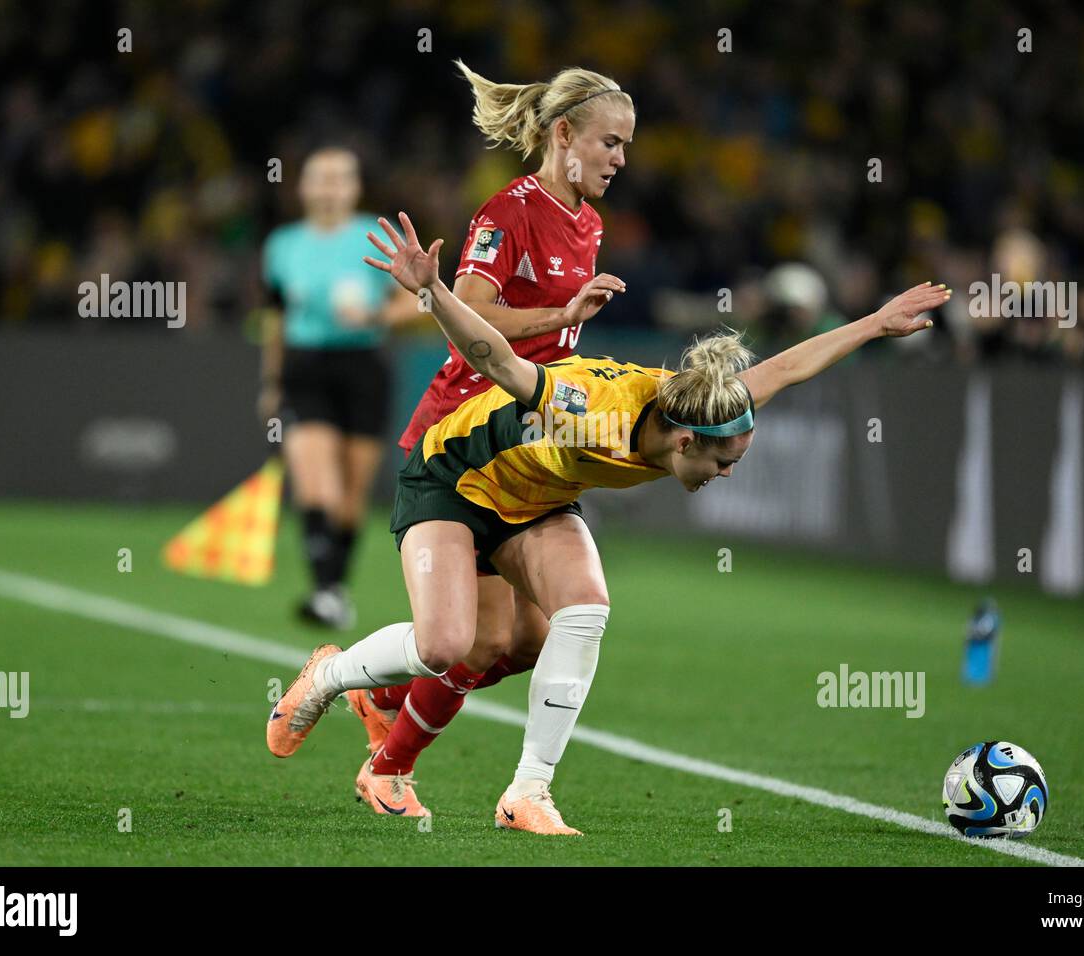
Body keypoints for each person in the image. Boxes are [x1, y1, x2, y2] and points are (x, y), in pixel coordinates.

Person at [266, 211, 949, 834]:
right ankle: (330, 677)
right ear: (684, 444)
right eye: (724, 463)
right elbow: (495, 360)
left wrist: (874, 323)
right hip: (456, 479)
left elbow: (789, 367)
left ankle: (527, 793)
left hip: (534, 498)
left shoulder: (707, 409)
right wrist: (432, 293)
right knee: (451, 643)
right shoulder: (594, 412)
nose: (729, 472)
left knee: (569, 618)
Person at [345, 60, 634, 818]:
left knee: (528, 644)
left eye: (626, 146)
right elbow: (468, 316)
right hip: (464, 438)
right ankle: (371, 717)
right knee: (466, 643)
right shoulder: (508, 213)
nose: (620, 160)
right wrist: (555, 315)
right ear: (564, 135)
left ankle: (394, 702)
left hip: (530, 449)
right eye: (609, 142)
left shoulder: (588, 221)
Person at [259, 147, 419, 629]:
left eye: (339, 178)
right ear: (303, 187)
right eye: (320, 178)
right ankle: (324, 590)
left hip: (364, 367)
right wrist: (270, 380)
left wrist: (374, 314)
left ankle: (335, 589)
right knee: (317, 487)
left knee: (351, 494)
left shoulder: (375, 235)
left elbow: (422, 301)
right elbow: (276, 318)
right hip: (306, 368)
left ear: (354, 188)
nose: (329, 187)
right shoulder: (283, 245)